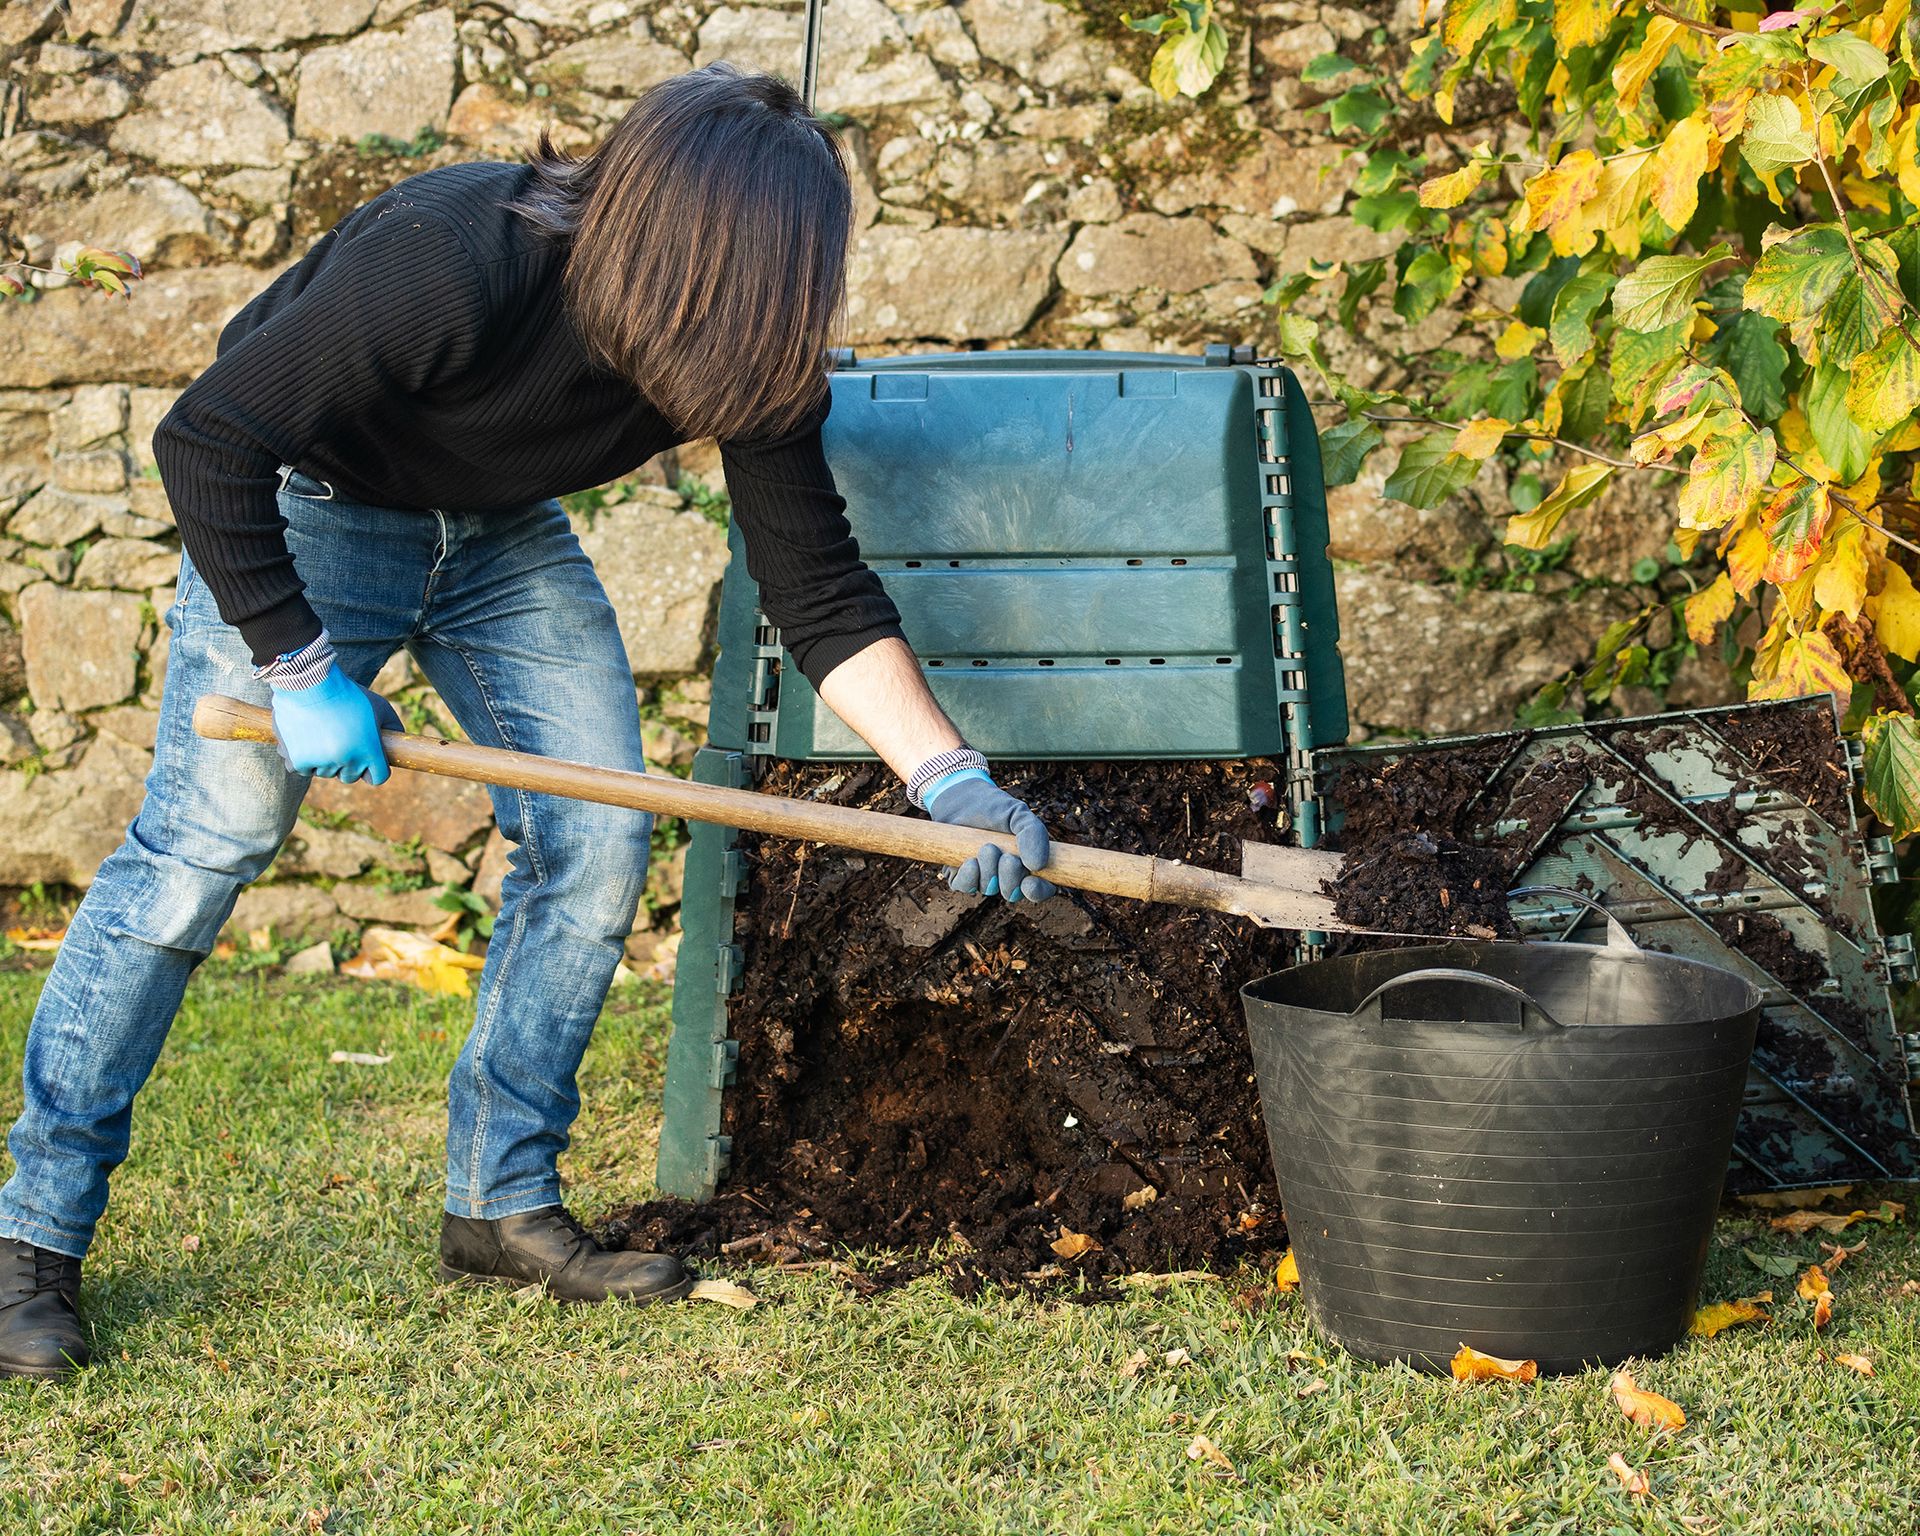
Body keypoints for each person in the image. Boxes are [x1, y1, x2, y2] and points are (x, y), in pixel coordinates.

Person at [0, 64, 1056, 1382]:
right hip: (313, 508)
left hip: (497, 538)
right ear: (685, 256)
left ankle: (497, 1203)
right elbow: (209, 438)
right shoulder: (459, 258)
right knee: (200, 852)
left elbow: (819, 589)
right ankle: (30, 1243)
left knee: (597, 840)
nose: (779, 320)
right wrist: (299, 663)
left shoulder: (742, 357)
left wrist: (951, 778)